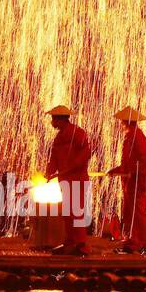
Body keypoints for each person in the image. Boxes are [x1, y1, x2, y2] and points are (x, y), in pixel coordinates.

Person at [43, 104, 91, 256]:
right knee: (68, 212)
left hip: (77, 178)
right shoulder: (59, 138)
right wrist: (49, 172)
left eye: (53, 119)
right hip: (65, 180)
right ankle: (70, 243)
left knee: (76, 212)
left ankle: (81, 245)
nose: (51, 122)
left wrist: (73, 167)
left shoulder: (78, 133)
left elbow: (86, 153)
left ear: (60, 119)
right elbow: (54, 158)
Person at [106, 106, 146, 252]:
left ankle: (144, 243)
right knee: (130, 213)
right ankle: (134, 241)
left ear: (127, 122)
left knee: (138, 213)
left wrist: (134, 172)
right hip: (129, 183)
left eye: (122, 121)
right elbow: (128, 163)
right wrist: (117, 170)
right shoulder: (130, 137)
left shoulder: (138, 136)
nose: (121, 123)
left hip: (136, 182)